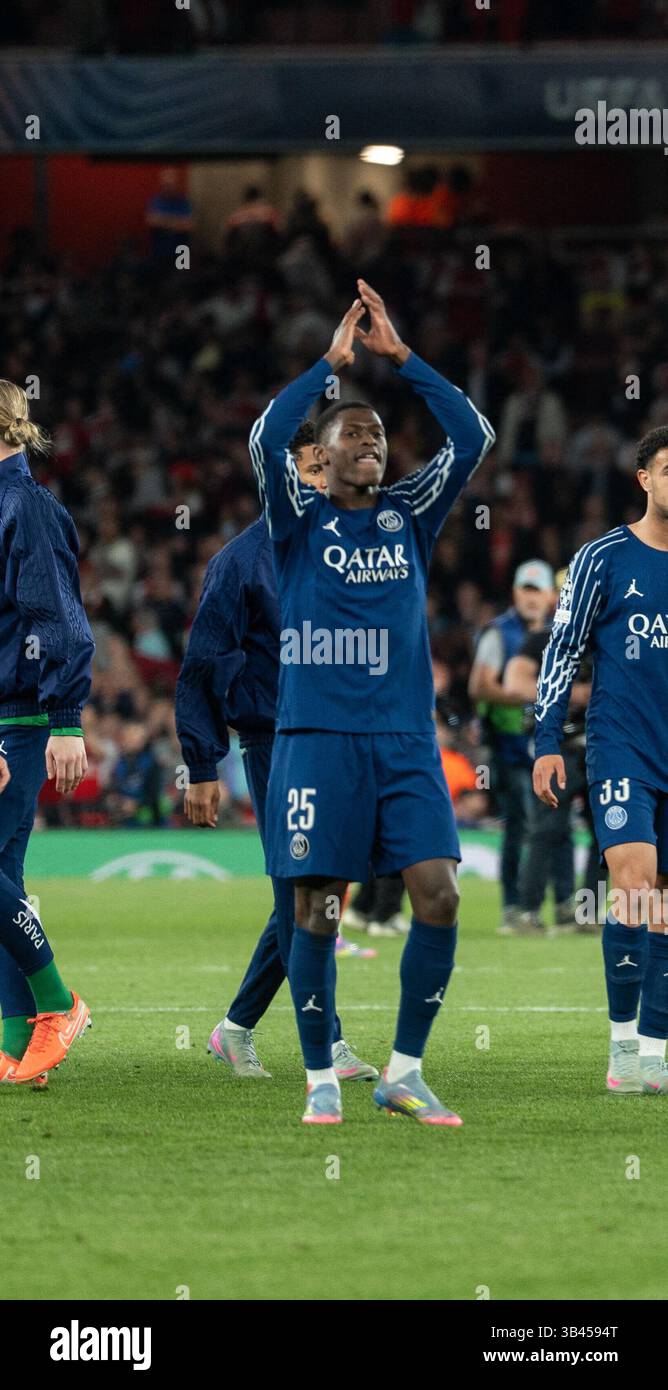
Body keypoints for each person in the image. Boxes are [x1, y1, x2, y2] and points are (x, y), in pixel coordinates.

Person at [250, 278, 495, 1125]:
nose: (373, 444)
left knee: (442, 894)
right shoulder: (294, 518)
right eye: (355, 433)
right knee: (314, 908)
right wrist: (327, 368)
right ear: (322, 452)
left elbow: (474, 436)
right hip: (317, 738)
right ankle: (320, 1074)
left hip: (404, 742)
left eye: (381, 434)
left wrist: (404, 360)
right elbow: (263, 437)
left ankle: (404, 1070)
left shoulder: (410, 515)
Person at [176, 422, 378, 1083]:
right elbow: (203, 664)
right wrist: (202, 764)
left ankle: (234, 1029)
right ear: (281, 475)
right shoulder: (241, 560)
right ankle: (329, 1042)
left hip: (340, 738)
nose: (324, 479)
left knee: (310, 889)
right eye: (312, 468)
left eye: (331, 467)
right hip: (276, 742)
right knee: (303, 887)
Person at [534, 425, 668, 1095]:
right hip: (623, 746)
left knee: (666, 902)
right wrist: (544, 741)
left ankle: (656, 1050)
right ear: (644, 479)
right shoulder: (603, 558)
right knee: (635, 881)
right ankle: (621, 1046)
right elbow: (562, 651)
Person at [0, 380, 92, 1087]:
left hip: (21, 717)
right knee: (3, 877)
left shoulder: (25, 509)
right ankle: (14, 1041)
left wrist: (64, 720)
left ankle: (57, 1003)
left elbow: (55, 622)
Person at [503, 575, 599, 933]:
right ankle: (525, 911)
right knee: (546, 829)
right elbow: (515, 683)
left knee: (606, 833)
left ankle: (586, 912)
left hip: (600, 747)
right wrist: (573, 693)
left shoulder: (605, 637)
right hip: (558, 747)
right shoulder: (543, 639)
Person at [468, 560, 556, 934]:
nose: (531, 598)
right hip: (509, 747)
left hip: (548, 745)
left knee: (549, 826)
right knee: (519, 824)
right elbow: (478, 686)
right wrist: (529, 696)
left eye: (538, 591)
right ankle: (511, 907)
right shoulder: (498, 633)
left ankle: (544, 906)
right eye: (525, 589)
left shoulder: (559, 633)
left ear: (551, 596)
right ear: (515, 593)